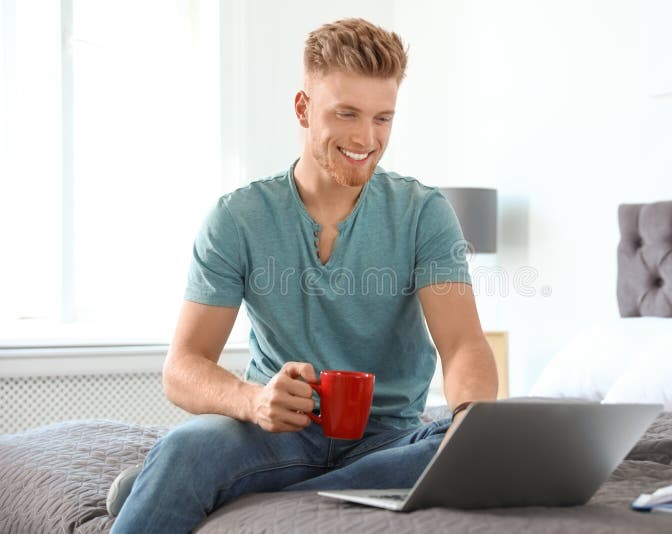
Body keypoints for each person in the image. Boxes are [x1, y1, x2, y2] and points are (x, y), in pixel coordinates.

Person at [109, 17, 497, 533]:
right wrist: (253, 400)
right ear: (302, 108)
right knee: (187, 447)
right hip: (277, 432)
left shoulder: (423, 211)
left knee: (473, 456)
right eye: (347, 114)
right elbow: (183, 366)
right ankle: (195, 476)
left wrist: (470, 423)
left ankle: (193, 487)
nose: (366, 137)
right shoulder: (238, 217)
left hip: (390, 437)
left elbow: (463, 343)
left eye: (383, 118)